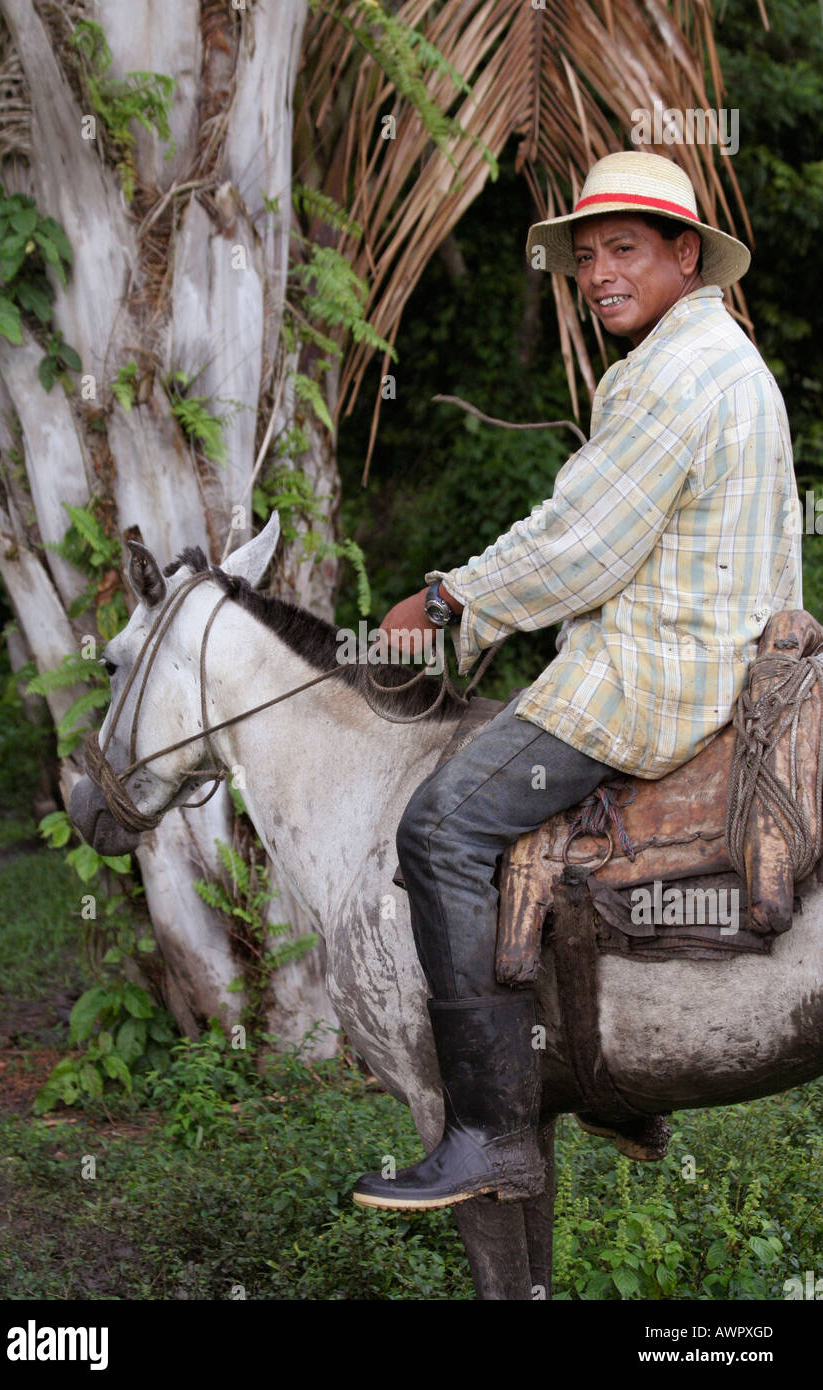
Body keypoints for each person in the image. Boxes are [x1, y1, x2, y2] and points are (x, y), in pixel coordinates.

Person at [351, 150, 803, 1211]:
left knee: (441, 828)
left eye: (624, 250)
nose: (598, 273)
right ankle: (611, 1071)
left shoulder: (675, 376)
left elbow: (580, 542)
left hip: (653, 676)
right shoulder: (710, 358)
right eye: (586, 256)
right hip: (715, 653)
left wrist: (449, 600)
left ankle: (485, 1131)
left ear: (682, 255)